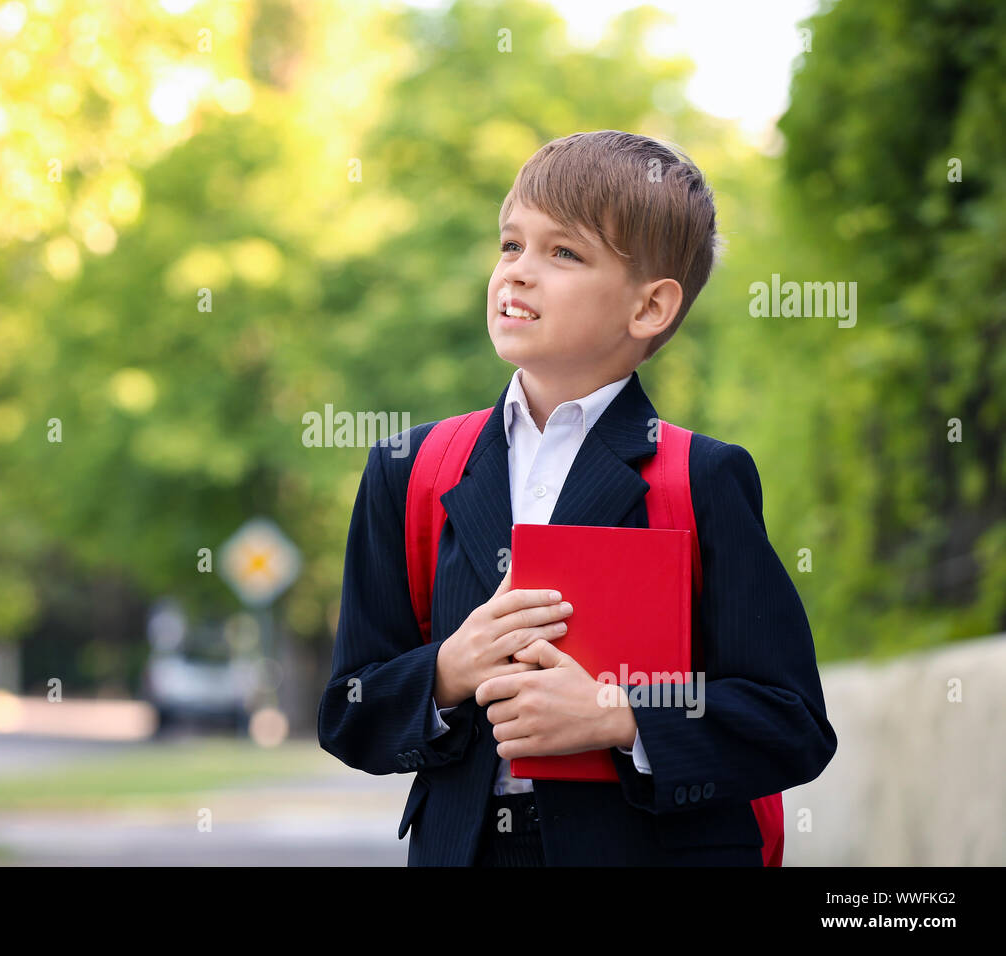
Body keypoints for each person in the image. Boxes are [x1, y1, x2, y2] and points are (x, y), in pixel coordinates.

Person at [317, 130, 837, 866]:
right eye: (510, 246)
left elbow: (792, 726)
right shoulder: (410, 469)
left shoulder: (701, 476)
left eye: (564, 253)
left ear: (650, 307)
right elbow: (349, 712)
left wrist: (620, 717)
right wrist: (448, 671)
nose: (519, 273)